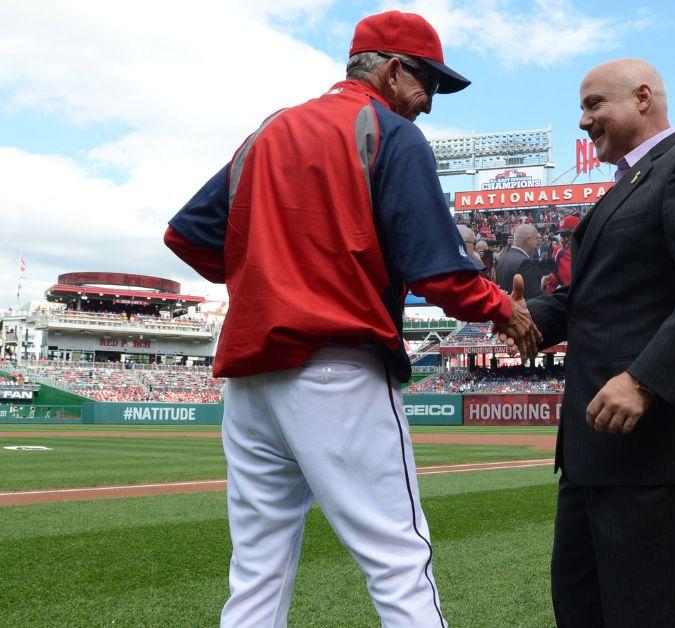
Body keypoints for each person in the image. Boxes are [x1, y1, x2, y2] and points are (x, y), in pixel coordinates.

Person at [163, 11, 539, 626]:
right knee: (397, 561)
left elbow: (190, 236)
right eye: (428, 83)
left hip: (251, 383)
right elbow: (438, 274)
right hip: (335, 371)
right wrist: (506, 311)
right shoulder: (389, 131)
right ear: (393, 69)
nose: (430, 103)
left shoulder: (269, 131)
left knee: (257, 571)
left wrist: (273, 276)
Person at [506, 58, 675, 626]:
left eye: (594, 105)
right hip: (593, 450)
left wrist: (646, 378)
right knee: (582, 610)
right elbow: (589, 301)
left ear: (643, 98)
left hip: (653, 447)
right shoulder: (623, 187)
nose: (583, 120)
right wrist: (526, 318)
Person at [495, 223, 546, 299]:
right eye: (536, 238)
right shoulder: (525, 263)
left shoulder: (504, 258)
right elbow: (535, 297)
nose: (537, 243)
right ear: (528, 240)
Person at [542, 214, 579, 293]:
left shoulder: (591, 249)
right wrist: (550, 279)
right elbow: (557, 277)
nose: (565, 239)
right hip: (569, 299)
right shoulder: (561, 254)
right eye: (563, 235)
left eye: (568, 234)